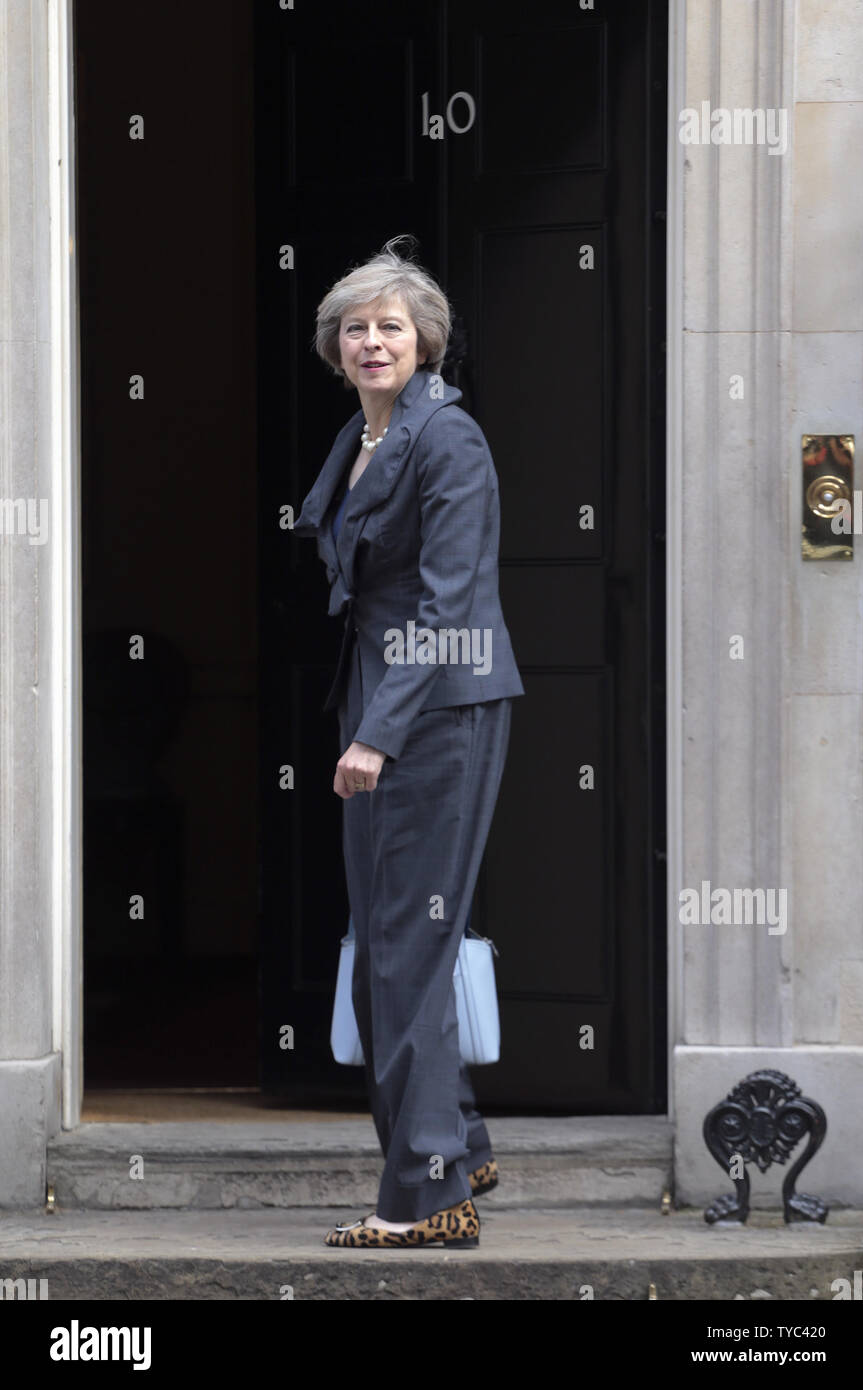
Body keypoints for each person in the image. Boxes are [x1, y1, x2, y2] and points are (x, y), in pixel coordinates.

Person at [293, 236, 524, 1249]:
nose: (373, 340)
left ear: (423, 341)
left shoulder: (448, 440)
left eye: (391, 326)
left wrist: (379, 734)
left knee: (404, 950)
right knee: (390, 944)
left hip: (436, 711)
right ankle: (456, 1142)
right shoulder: (364, 438)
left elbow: (453, 603)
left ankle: (425, 1197)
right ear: (335, 347)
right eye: (357, 327)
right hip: (383, 704)